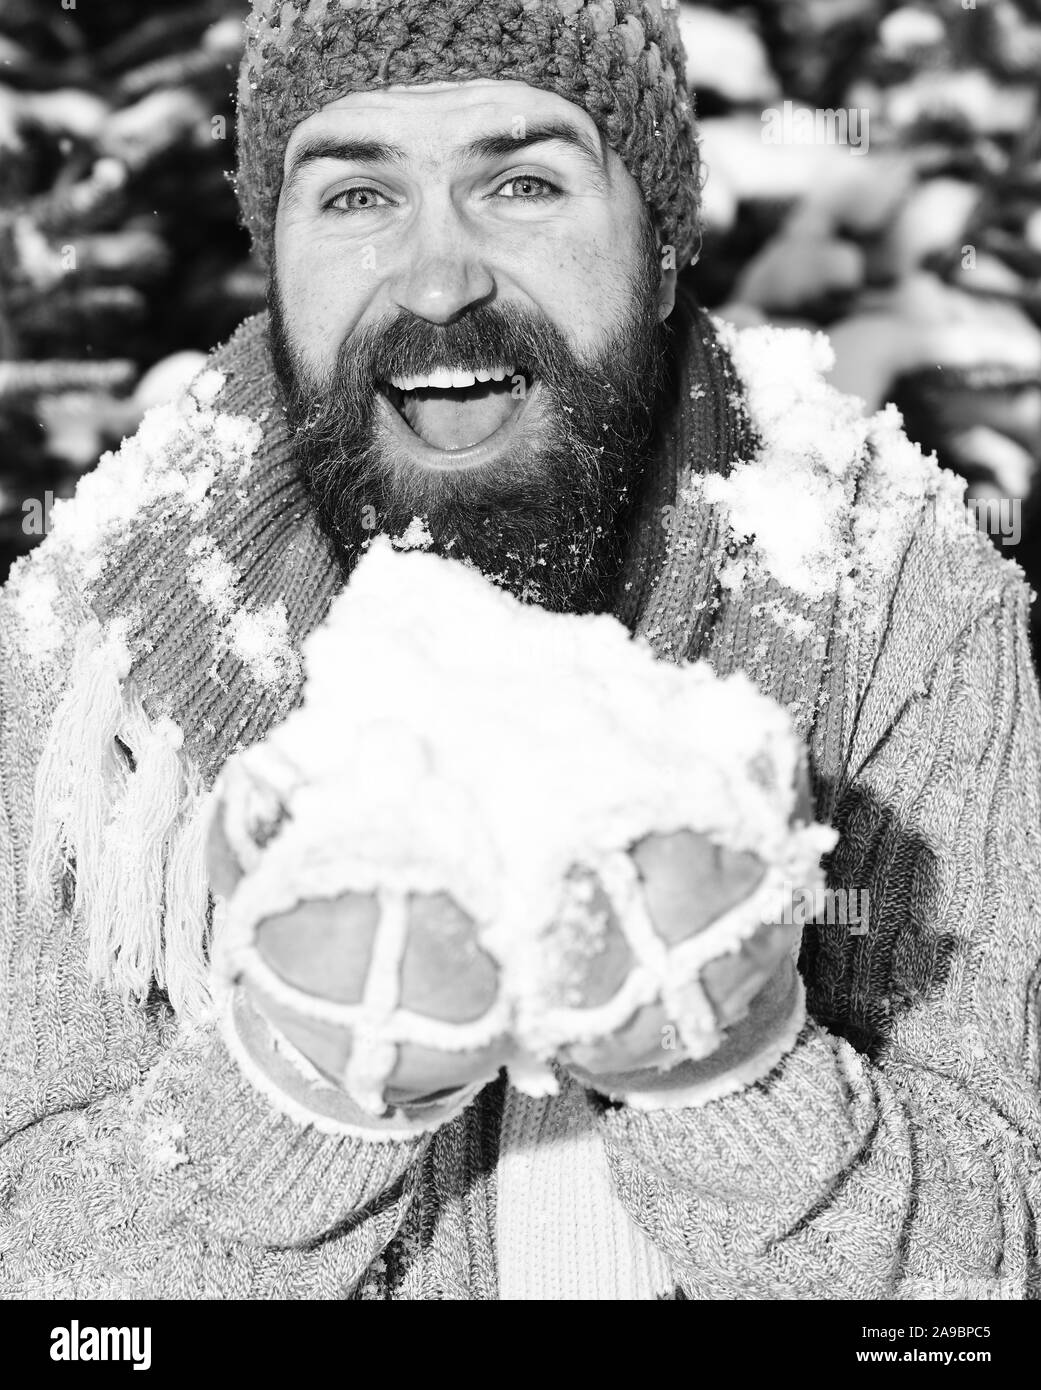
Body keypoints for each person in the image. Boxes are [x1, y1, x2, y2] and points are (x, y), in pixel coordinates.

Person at [1, 0, 1039, 1300]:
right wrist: (299, 1088)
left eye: (523, 180)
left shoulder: (893, 587)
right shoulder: (99, 628)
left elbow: (996, 1265)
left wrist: (725, 1071)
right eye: (354, 194)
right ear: (273, 253)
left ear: (662, 248)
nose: (437, 277)